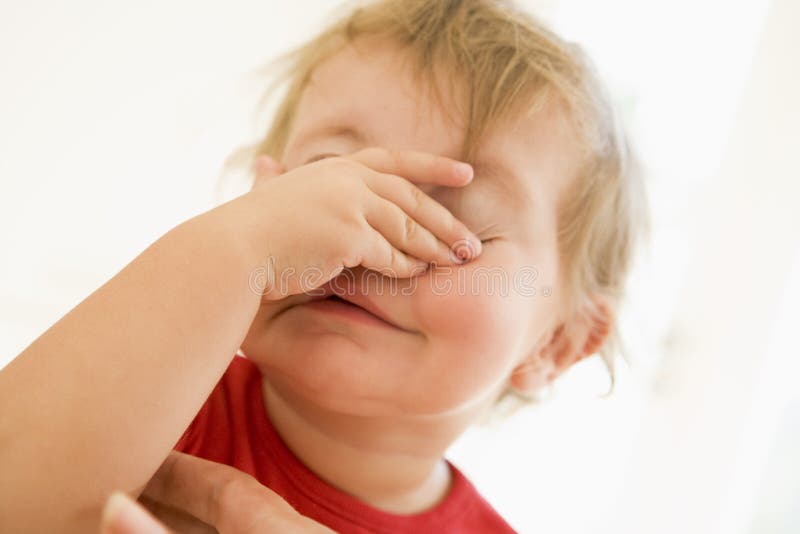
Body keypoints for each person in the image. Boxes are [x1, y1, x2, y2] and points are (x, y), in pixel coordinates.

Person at [0, 0, 646, 532]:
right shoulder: (149, 388)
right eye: (325, 180)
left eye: (454, 222)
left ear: (556, 342)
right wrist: (237, 249)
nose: (362, 238)